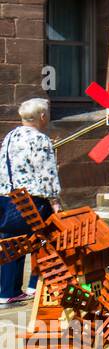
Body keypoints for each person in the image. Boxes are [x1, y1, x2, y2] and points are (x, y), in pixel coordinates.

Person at [0, 98, 63, 303]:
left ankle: (8, 291)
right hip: (33, 199)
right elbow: (47, 173)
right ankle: (36, 285)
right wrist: (55, 202)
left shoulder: (10, 136)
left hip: (8, 198)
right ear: (42, 116)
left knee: (13, 244)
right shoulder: (40, 139)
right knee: (46, 240)